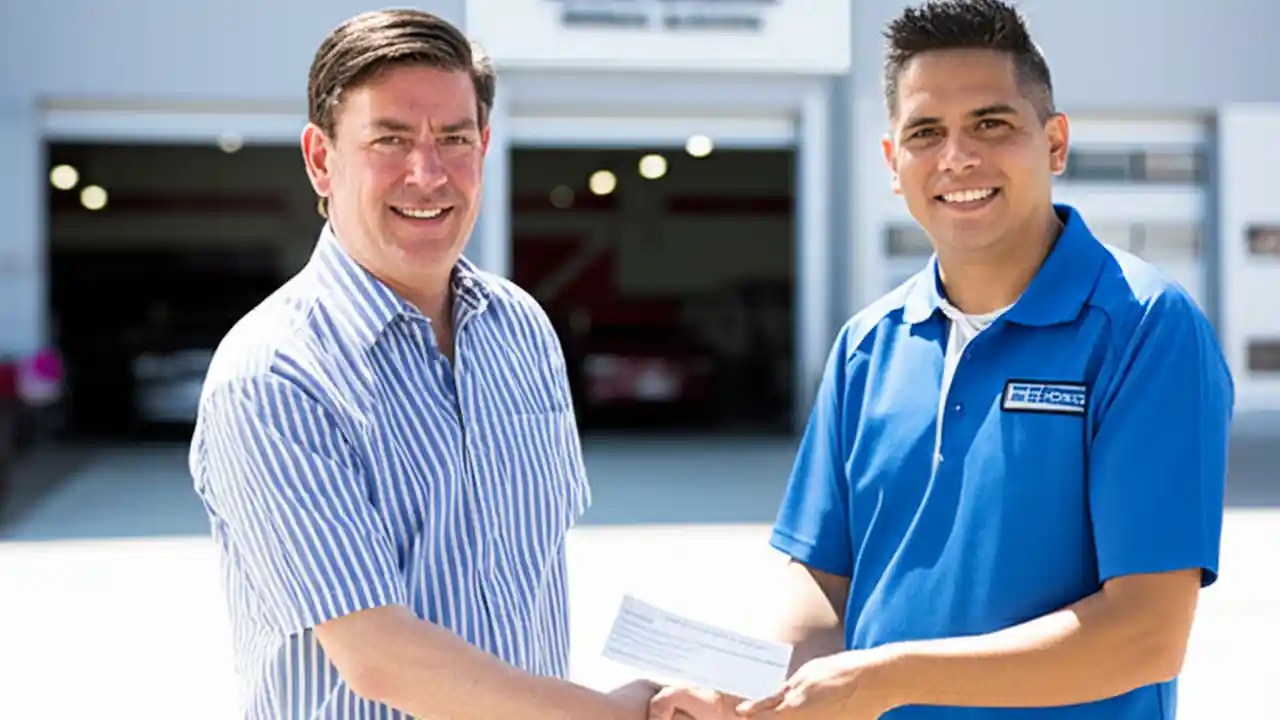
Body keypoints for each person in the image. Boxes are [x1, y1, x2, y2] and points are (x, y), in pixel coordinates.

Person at [648, 1, 1232, 719]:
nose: (957, 157)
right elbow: (822, 586)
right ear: (893, 163)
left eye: (992, 124)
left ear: (1054, 143)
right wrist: (743, 688)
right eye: (926, 132)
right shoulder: (867, 345)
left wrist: (885, 679)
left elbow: (1145, 635)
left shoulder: (1143, 327)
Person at [189, 9, 655, 719]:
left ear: (484, 146)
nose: (428, 174)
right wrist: (614, 715)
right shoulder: (273, 377)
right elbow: (381, 657)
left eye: (455, 139)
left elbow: (527, 586)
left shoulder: (520, 331)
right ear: (321, 159)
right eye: (391, 140)